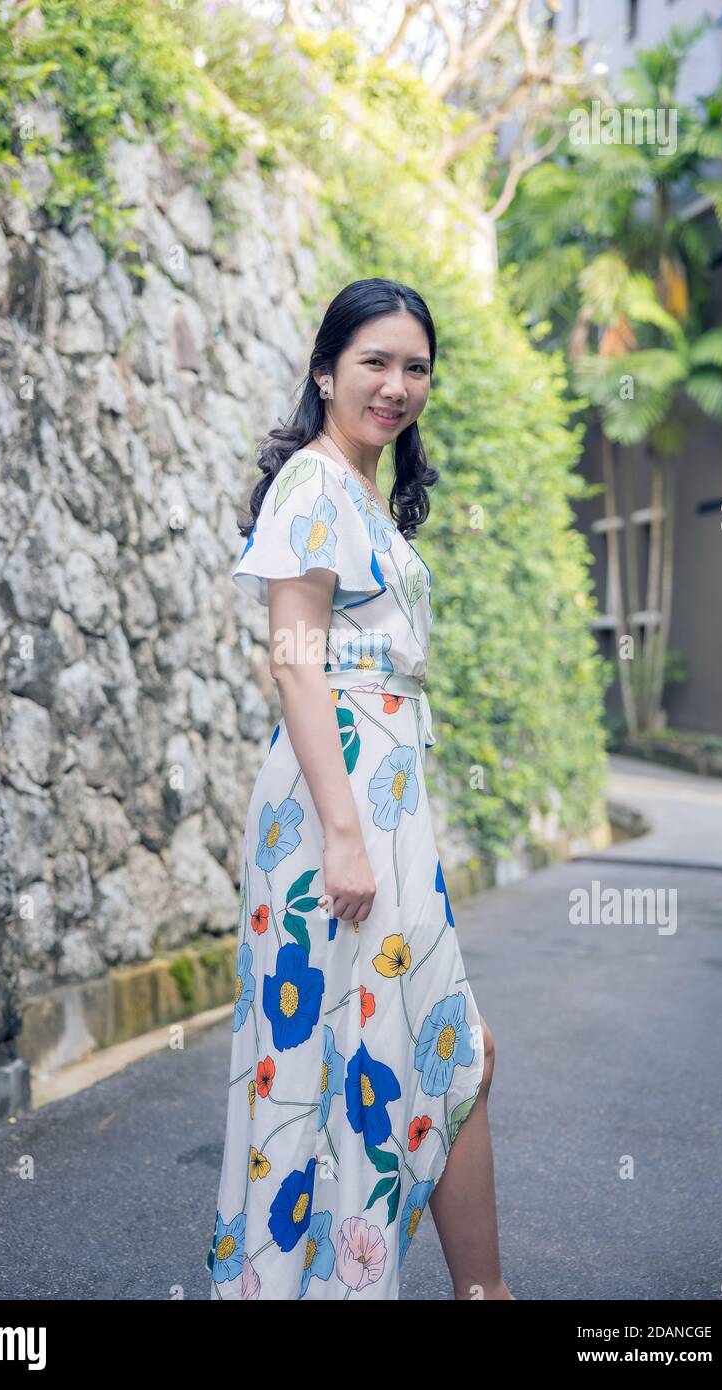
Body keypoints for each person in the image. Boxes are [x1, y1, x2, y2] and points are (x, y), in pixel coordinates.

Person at [205, 277, 513, 1301]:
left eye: (415, 365)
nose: (395, 383)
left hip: (385, 802)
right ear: (326, 369)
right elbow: (295, 662)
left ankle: (480, 1293)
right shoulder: (311, 483)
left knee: (442, 1049)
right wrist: (343, 834)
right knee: (377, 1052)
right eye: (374, 361)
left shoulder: (366, 490)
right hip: (331, 808)